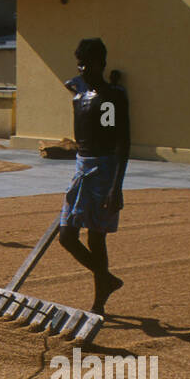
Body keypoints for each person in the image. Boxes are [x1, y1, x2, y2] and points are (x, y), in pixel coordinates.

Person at [58, 38, 129, 315]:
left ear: (101, 63)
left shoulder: (111, 99)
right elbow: (71, 81)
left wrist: (115, 188)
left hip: (104, 170)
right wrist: (83, 79)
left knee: (96, 240)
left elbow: (121, 142)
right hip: (81, 168)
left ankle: (99, 301)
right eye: (80, 64)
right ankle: (107, 278)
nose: (82, 69)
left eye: (88, 64)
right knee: (67, 236)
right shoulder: (78, 91)